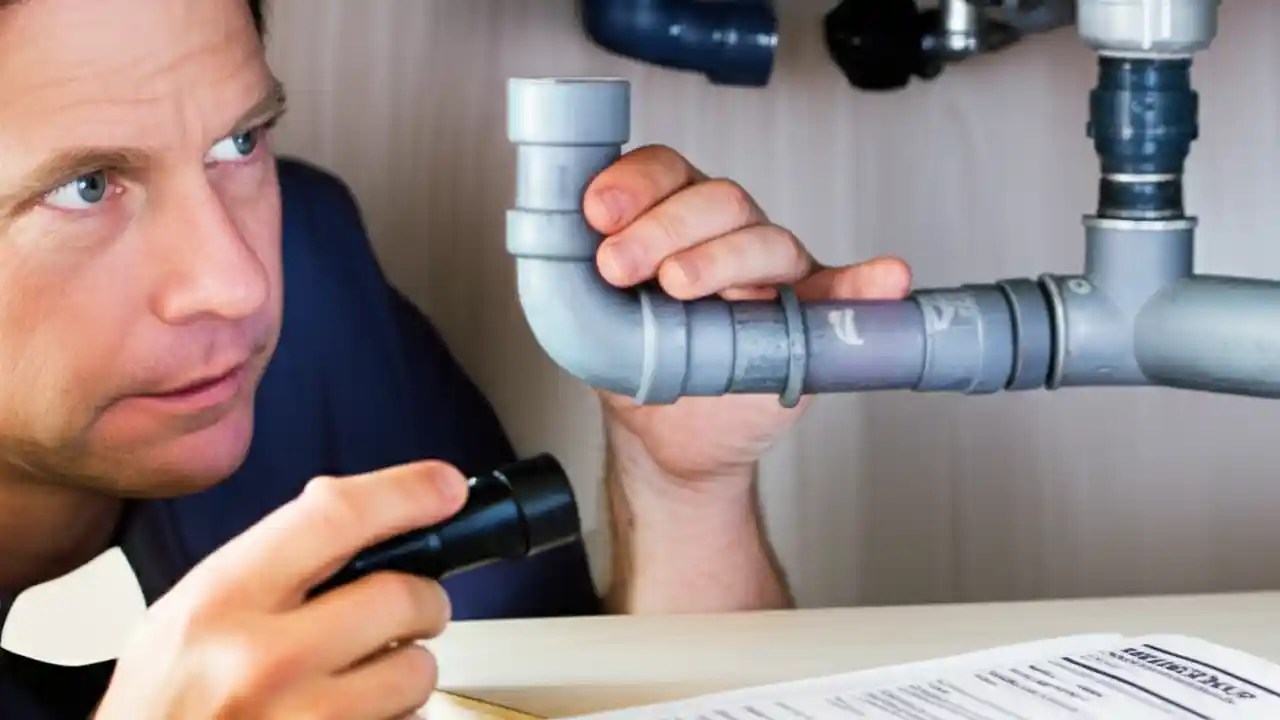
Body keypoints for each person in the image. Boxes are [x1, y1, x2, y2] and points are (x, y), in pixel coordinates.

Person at [0, 0, 912, 717]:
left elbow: (556, 696)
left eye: (238, 143)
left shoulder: (311, 290)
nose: (236, 282)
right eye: (87, 187)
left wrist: (685, 492)